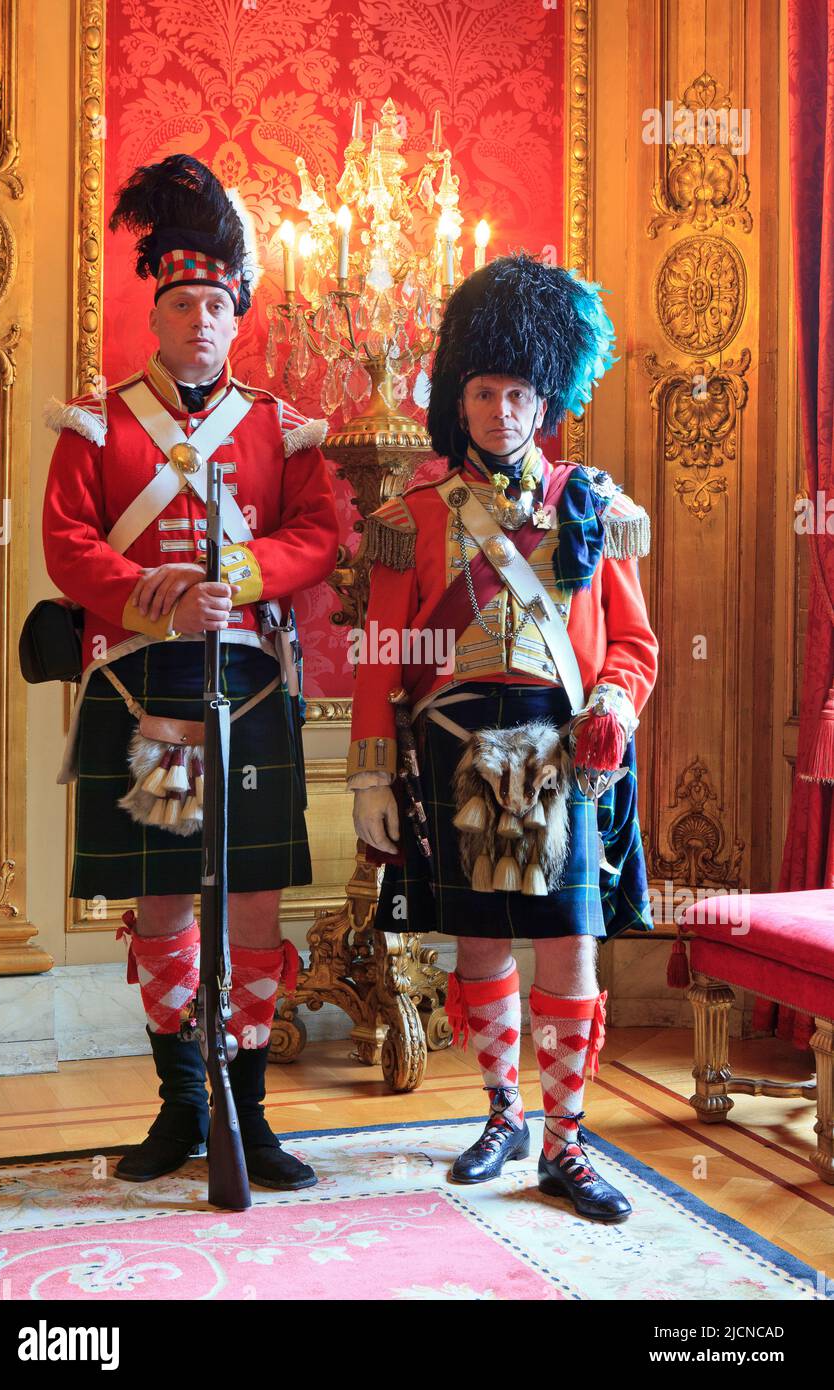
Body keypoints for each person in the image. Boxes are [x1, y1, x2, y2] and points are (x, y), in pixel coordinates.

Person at [42, 155, 339, 1190]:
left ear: (234, 313)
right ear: (155, 312)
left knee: (251, 905)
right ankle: (181, 1107)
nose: (200, 319)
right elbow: (67, 544)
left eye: (216, 302)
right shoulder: (96, 421)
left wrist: (246, 572)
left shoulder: (276, 423)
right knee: (166, 904)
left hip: (248, 695)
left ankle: (248, 1117)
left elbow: (321, 534)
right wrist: (152, 589)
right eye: (181, 302)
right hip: (144, 696)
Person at [347, 253, 658, 1222]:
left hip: (564, 752)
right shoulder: (410, 519)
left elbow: (636, 643)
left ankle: (565, 1145)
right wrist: (367, 775)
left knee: (568, 946)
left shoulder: (588, 506)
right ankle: (499, 1115)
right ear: (461, 397)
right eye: (482, 392)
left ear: (541, 398)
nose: (500, 411)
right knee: (478, 944)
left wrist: (612, 698)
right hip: (455, 746)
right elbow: (379, 658)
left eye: (516, 393)